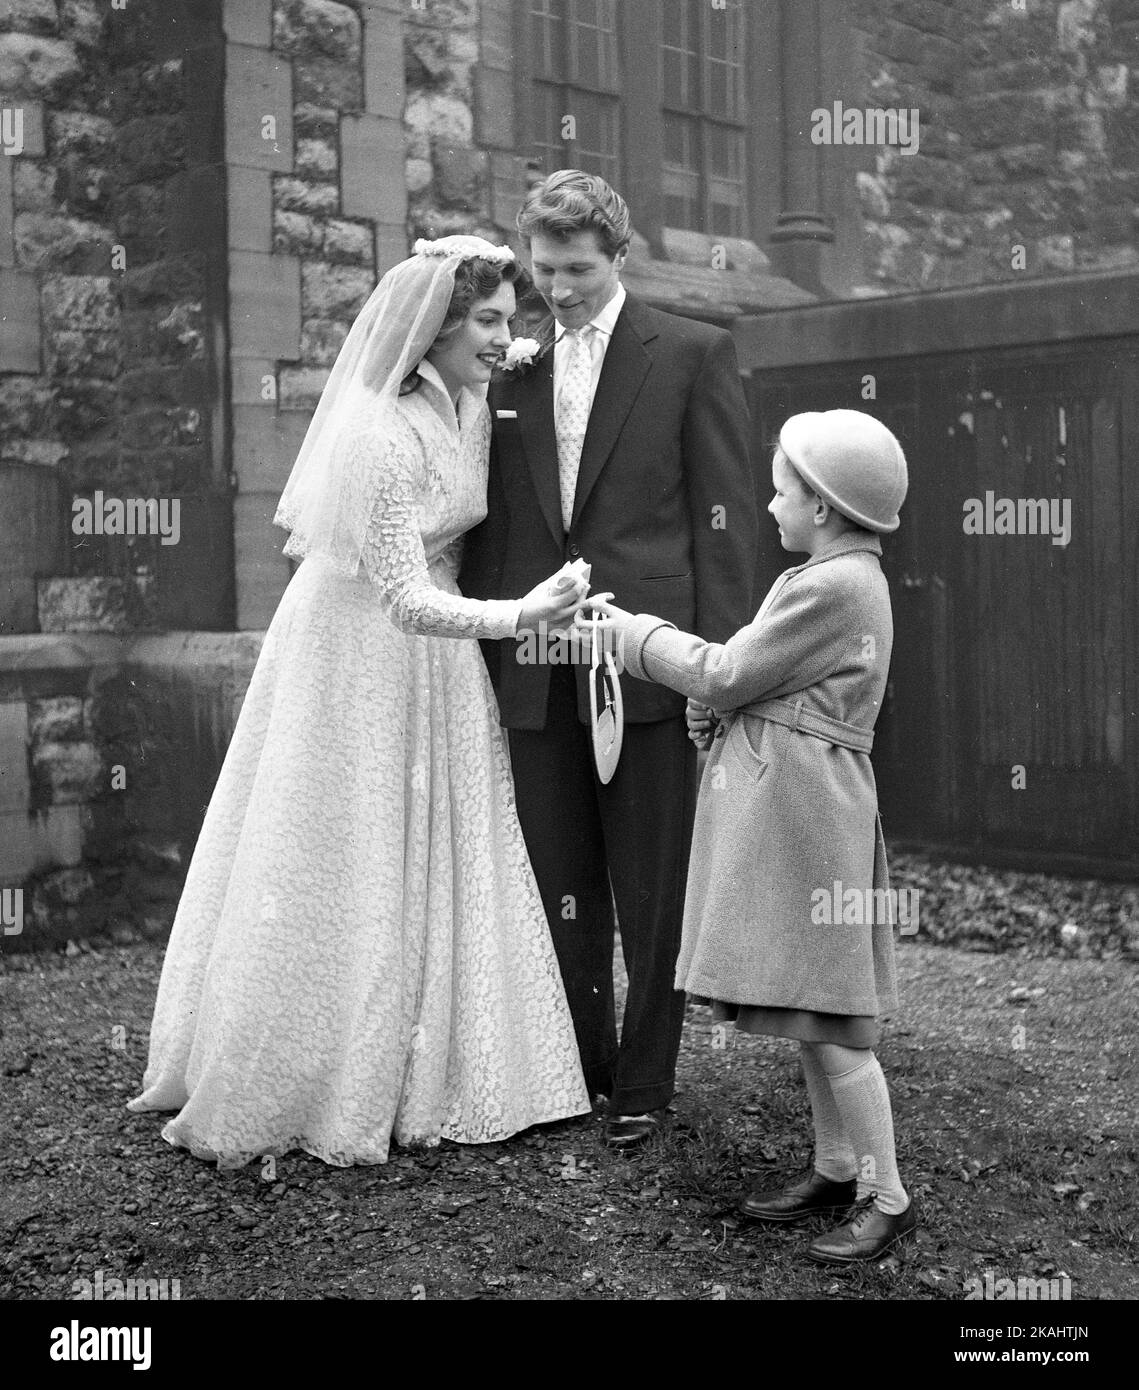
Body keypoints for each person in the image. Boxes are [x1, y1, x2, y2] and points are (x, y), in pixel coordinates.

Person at [127, 236, 592, 1168]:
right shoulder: (377, 434)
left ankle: (451, 1063)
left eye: (512, 321)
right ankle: (323, 1068)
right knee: (347, 849)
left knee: (443, 846)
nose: (506, 338)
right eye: (488, 321)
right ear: (434, 329)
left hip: (439, 659)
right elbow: (403, 598)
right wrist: (525, 614)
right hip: (360, 651)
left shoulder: (469, 405)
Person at [460, 171, 759, 1149]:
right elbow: (496, 522)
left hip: (652, 665)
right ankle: (575, 1066)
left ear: (618, 257)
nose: (560, 288)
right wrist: (488, 645)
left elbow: (723, 532)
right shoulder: (514, 366)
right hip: (537, 664)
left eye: (578, 268)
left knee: (650, 888)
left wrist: (718, 670)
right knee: (559, 881)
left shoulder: (691, 353)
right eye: (544, 270)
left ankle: (644, 1083)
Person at [581, 409, 917, 1260]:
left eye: (781, 491)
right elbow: (755, 675)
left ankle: (886, 1193)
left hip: (808, 814)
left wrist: (635, 636)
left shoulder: (830, 585)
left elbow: (731, 669)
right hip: (797, 805)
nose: (769, 506)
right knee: (810, 1004)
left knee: (836, 1018)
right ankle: (836, 1167)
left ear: (825, 506)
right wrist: (718, 705)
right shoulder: (830, 572)